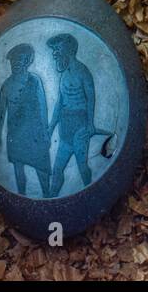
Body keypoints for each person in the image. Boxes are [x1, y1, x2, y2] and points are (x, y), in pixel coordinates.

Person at [47, 32, 114, 197]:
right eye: (54, 50)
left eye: (57, 49)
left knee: (82, 165)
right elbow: (58, 104)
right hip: (65, 127)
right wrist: (51, 127)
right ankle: (51, 199)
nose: (54, 54)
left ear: (68, 50)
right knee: (57, 169)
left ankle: (90, 195)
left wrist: (90, 124)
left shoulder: (83, 72)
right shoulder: (63, 76)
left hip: (80, 126)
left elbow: (91, 98)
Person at [0, 43, 50, 196]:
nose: (16, 64)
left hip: (35, 132)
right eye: (13, 61)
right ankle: (21, 195)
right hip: (16, 134)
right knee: (18, 168)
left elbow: (43, 106)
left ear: (27, 61)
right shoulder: (6, 85)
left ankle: (47, 194)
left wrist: (45, 132)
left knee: (41, 167)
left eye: (20, 60)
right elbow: (1, 111)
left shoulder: (34, 80)